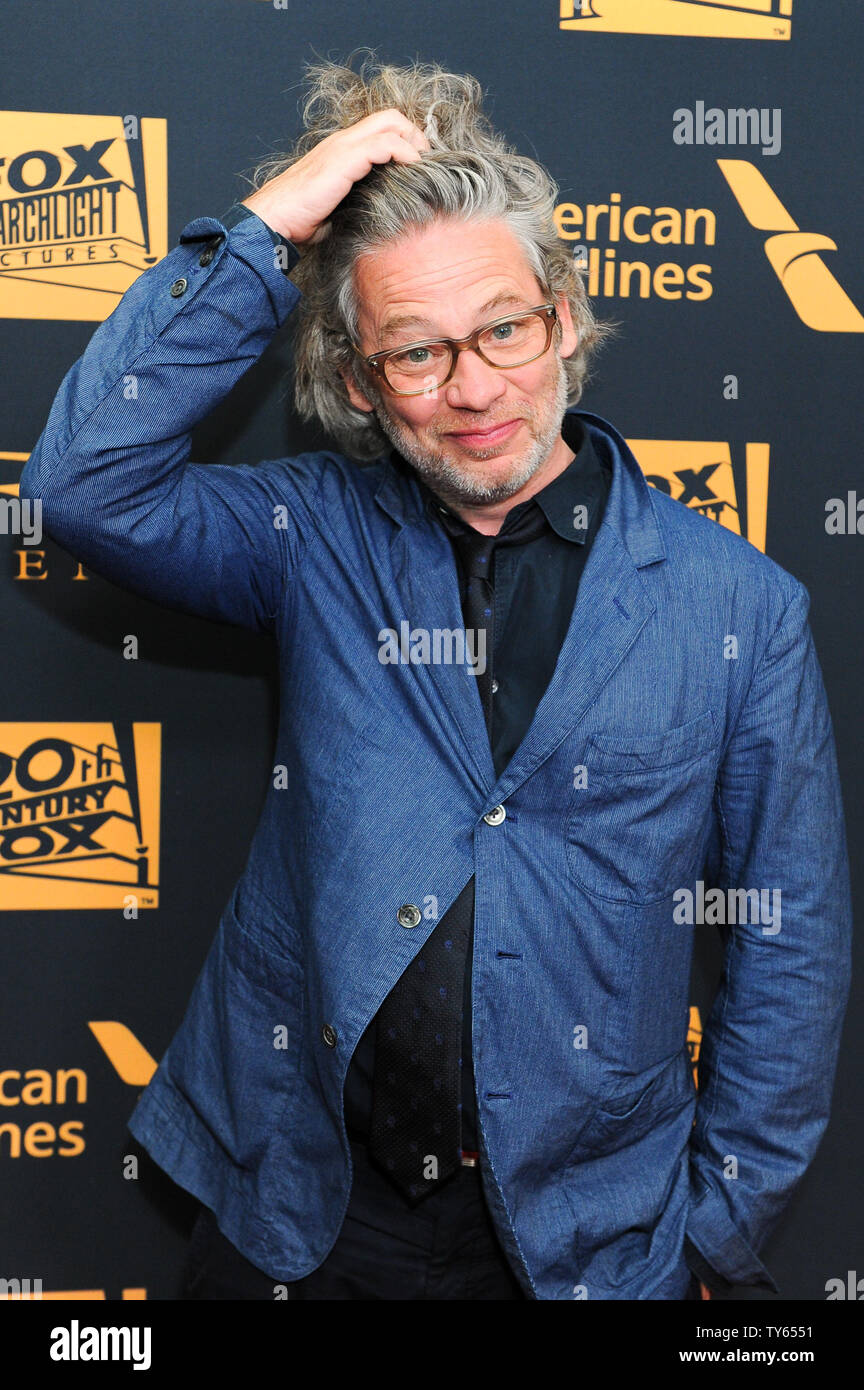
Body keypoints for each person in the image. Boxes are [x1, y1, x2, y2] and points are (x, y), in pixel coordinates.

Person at [20, 55, 851, 1301]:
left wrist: (714, 1233)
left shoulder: (739, 608)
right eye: (416, 353)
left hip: (585, 1244)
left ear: (563, 316)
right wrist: (269, 230)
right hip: (301, 1209)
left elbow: (789, 948)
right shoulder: (313, 539)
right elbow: (83, 481)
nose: (473, 390)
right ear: (360, 382)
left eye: (504, 329)